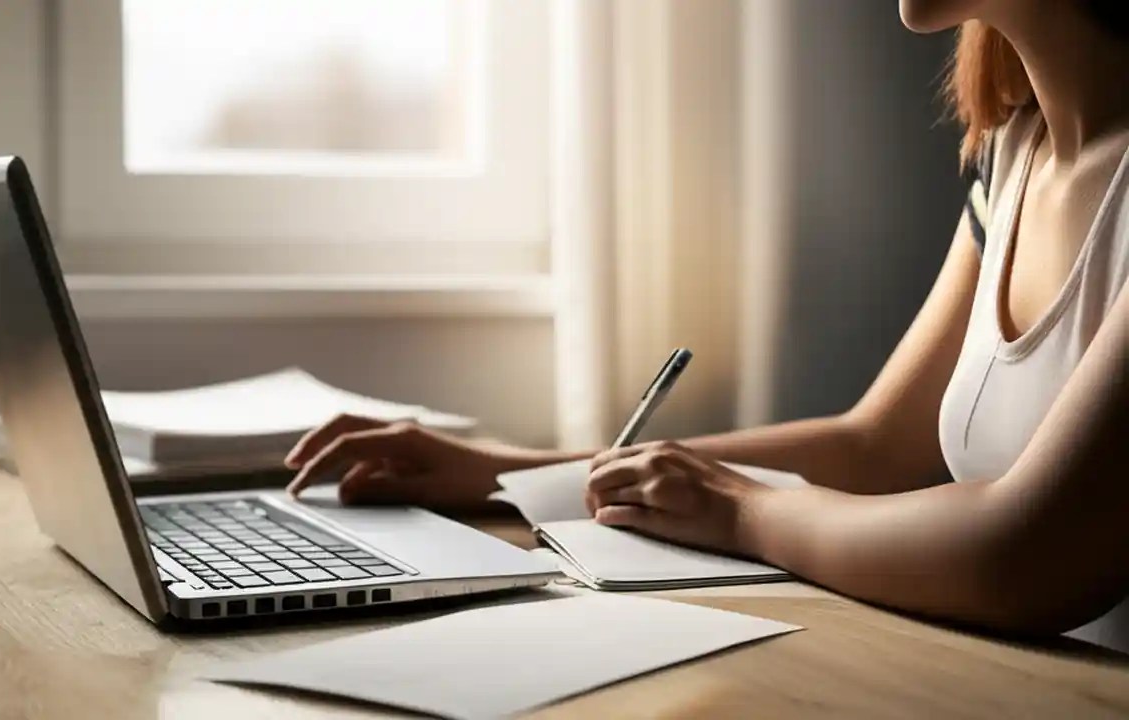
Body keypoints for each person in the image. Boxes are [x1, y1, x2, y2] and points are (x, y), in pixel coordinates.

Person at [284, 0, 1129, 649]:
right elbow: (877, 448)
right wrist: (503, 473)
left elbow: (1032, 553)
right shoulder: (1014, 152)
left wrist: (744, 513)